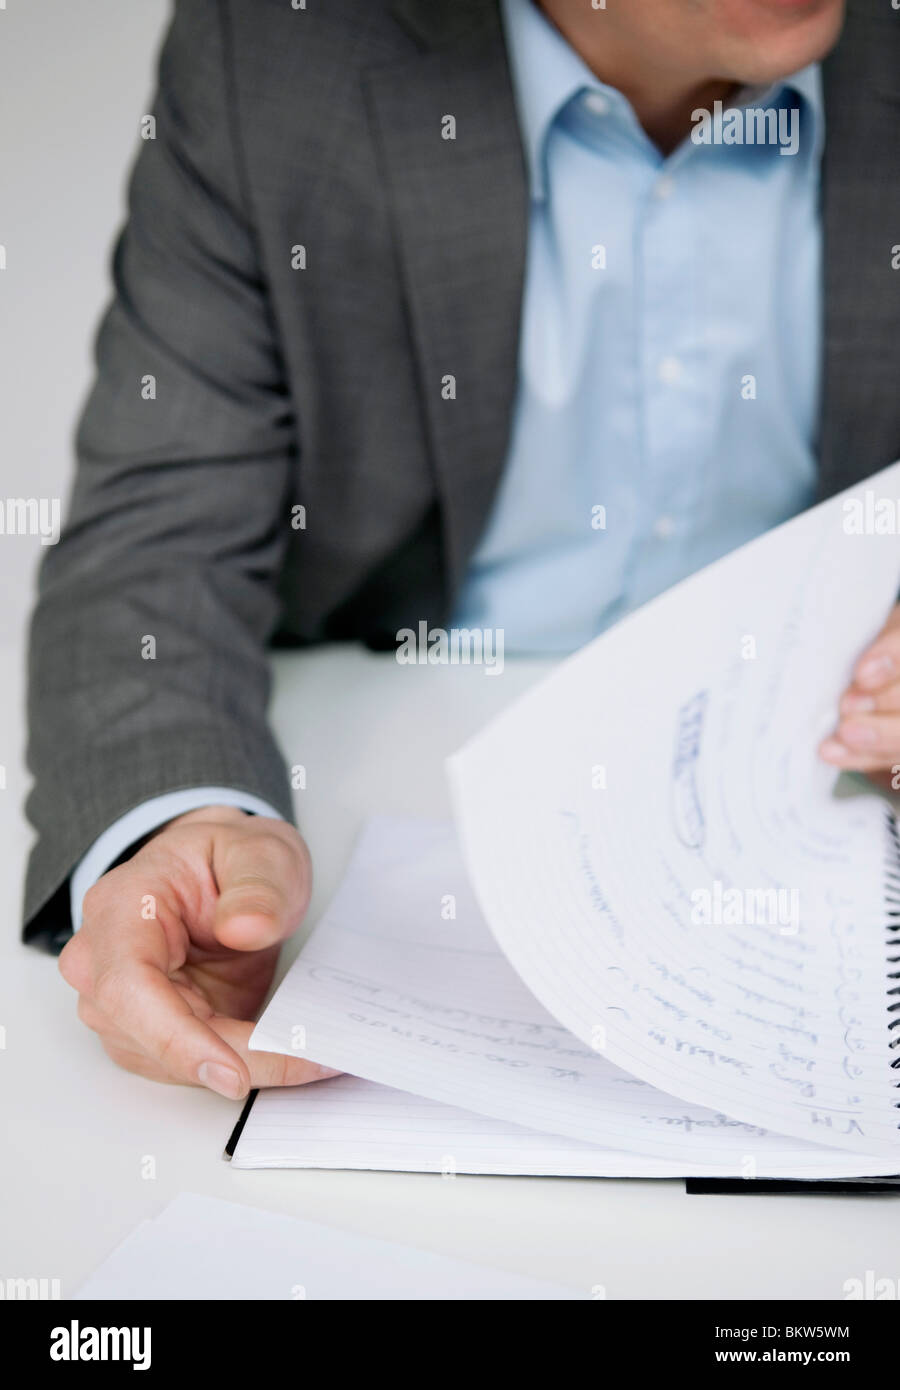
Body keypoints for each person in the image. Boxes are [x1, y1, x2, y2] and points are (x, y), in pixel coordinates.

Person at [24, 0, 900, 1101]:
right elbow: (159, 538)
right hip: (393, 761)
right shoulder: (277, 49)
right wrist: (182, 823)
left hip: (824, 803)